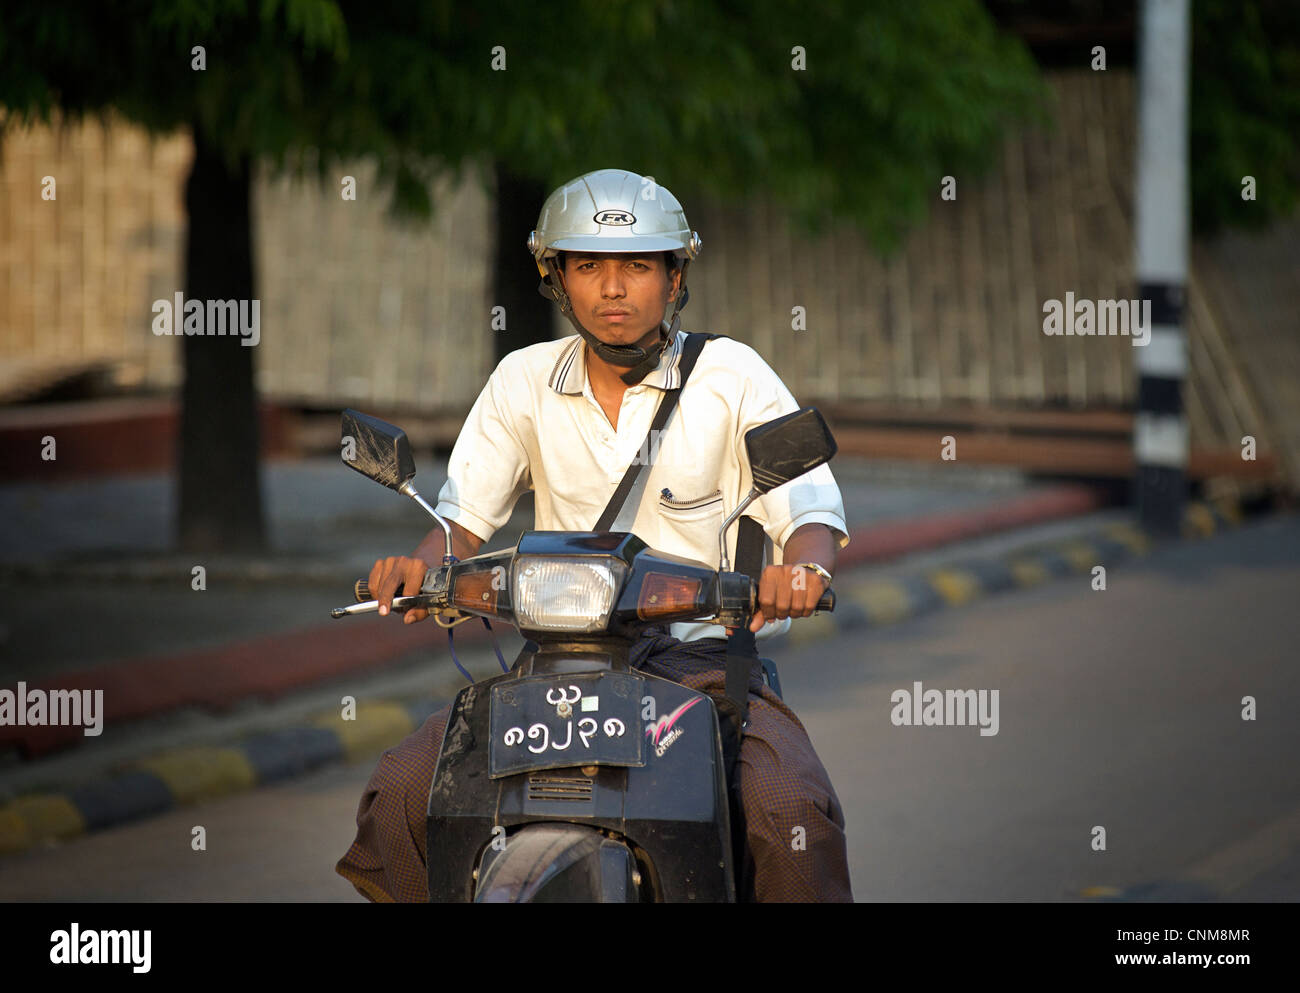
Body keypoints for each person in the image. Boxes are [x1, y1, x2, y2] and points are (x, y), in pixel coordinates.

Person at [336, 168, 853, 902]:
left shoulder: (733, 376)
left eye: (638, 265)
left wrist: (801, 571)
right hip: (555, 671)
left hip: (699, 671)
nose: (614, 288)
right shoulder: (522, 380)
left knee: (789, 810)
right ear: (558, 278)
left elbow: (808, 515)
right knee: (400, 792)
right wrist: (420, 570)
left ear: (675, 279)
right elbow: (459, 523)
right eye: (589, 266)